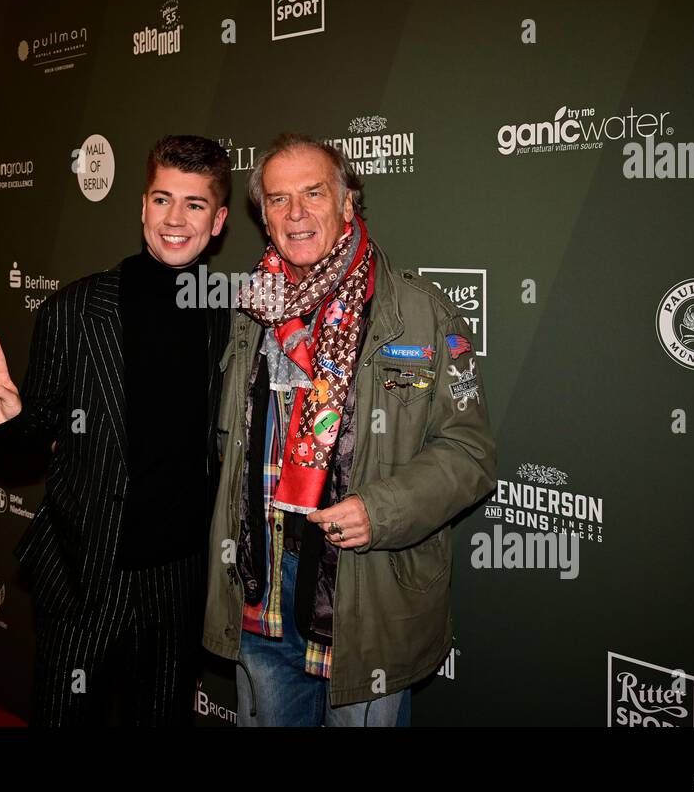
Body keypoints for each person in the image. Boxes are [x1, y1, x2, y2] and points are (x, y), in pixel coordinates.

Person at [203, 132, 497, 726]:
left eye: (313, 193)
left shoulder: (419, 311)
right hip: (262, 588)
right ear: (263, 218)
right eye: (279, 200)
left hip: (364, 594)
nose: (296, 213)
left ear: (347, 202)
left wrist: (381, 510)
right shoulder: (248, 309)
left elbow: (469, 453)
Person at [0, 135, 231, 726]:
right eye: (163, 200)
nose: (175, 219)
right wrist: (11, 418)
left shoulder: (224, 316)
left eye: (195, 204)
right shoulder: (77, 308)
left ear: (219, 221)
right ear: (141, 208)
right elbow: (41, 425)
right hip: (87, 574)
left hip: (179, 578)